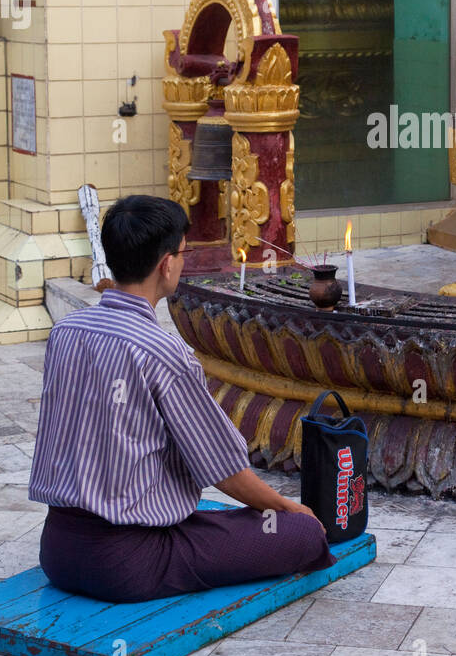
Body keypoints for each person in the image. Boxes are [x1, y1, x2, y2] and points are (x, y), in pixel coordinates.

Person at [30, 194, 334, 603]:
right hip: (127, 564)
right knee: (303, 534)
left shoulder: (65, 330)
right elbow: (224, 470)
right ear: (166, 264)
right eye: (182, 254)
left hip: (58, 551)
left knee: (220, 520)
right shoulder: (162, 351)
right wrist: (286, 507)